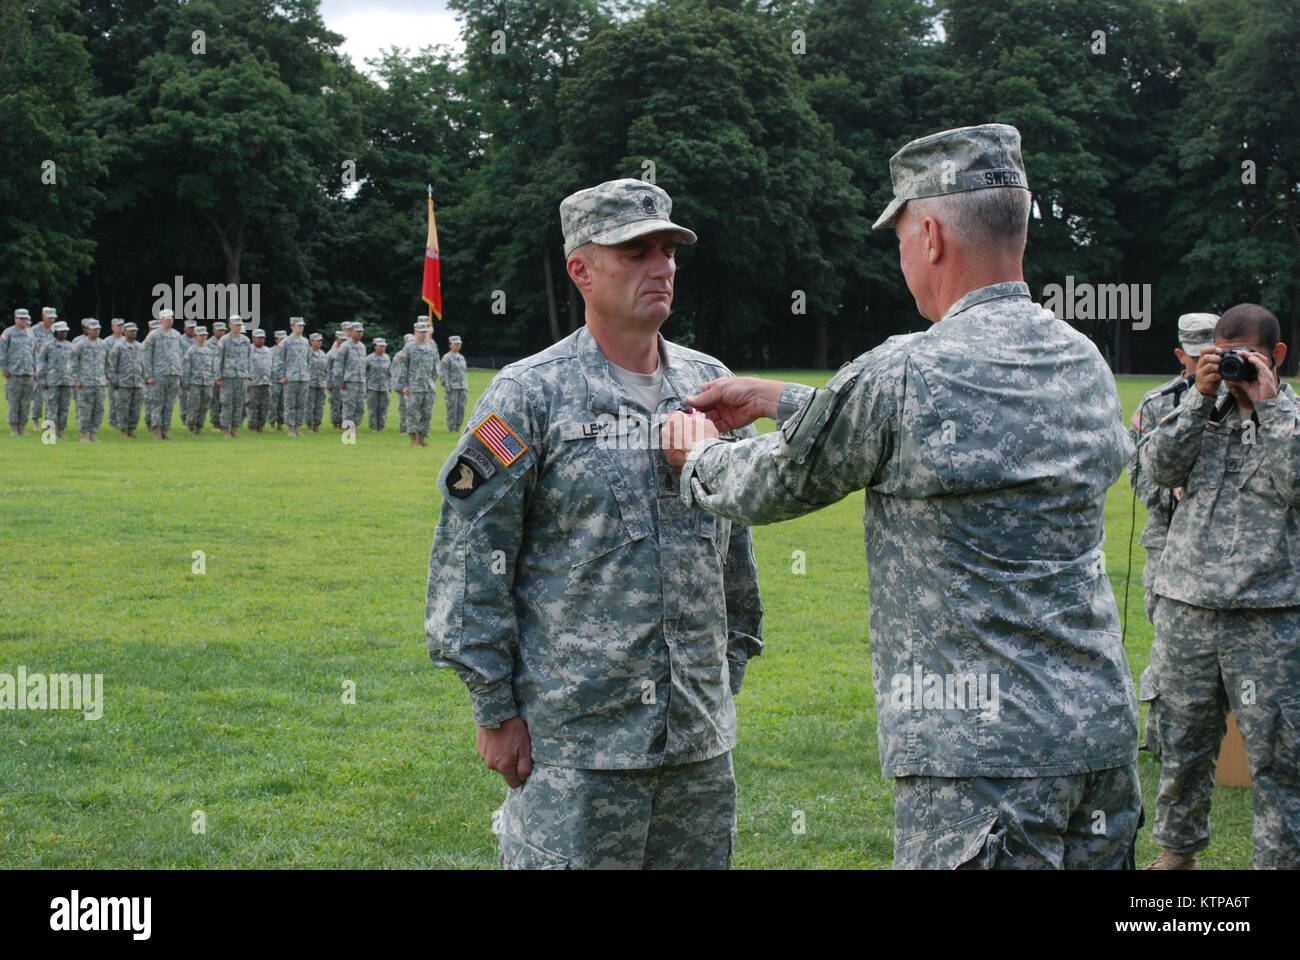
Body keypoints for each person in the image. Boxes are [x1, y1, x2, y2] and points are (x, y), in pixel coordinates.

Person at [662, 124, 1142, 869]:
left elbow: (771, 484)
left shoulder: (907, 371)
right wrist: (786, 398)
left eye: (898, 238)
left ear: (930, 235)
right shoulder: (1080, 361)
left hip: (978, 757)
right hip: (1097, 740)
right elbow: (964, 432)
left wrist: (698, 459)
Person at [427, 178, 764, 870]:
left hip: (697, 742)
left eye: (668, 250)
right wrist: (494, 707)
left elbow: (736, 546)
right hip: (576, 743)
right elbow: (471, 552)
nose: (662, 267)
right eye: (636, 252)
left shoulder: (710, 387)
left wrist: (727, 663)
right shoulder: (529, 395)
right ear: (581, 269)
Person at [1138, 304, 1300, 871]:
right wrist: (1199, 397)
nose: (1230, 364)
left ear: (1275, 355)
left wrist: (1270, 404)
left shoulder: (1293, 417)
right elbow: (1156, 470)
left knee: (1280, 753)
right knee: (1182, 744)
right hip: (1186, 605)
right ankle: (1179, 854)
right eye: (1220, 352)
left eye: (1243, 354)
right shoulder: (1192, 408)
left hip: (1266, 614)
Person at [1128, 313, 1216, 622]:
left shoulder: (1242, 401)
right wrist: (1174, 492)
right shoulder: (1157, 403)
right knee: (1165, 623)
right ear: (1181, 355)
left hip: (1220, 541)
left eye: (1213, 354)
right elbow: (1137, 472)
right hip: (1166, 538)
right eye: (1197, 356)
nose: (1206, 363)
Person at [143, 308, 184, 439]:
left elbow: (180, 354)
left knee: (170, 403)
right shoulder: (153, 335)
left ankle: (166, 429)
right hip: (159, 374)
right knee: (157, 403)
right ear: (161, 320)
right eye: (166, 318)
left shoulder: (177, 335)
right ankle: (157, 430)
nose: (169, 320)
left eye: (171, 318)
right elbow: (146, 356)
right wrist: (149, 375)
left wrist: (180, 372)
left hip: (174, 374)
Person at [71, 317, 110, 442]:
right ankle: (83, 434)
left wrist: (108, 377)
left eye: (98, 329)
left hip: (99, 382)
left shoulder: (103, 344)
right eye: (94, 329)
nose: (96, 331)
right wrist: (76, 379)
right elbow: (73, 363)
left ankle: (93, 433)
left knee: (99, 409)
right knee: (84, 408)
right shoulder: (80, 345)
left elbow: (107, 363)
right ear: (87, 330)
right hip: (85, 382)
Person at [402, 321, 438, 447]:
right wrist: (404, 385)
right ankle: (413, 439)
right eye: (420, 332)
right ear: (415, 332)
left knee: (427, 413)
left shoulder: (431, 348)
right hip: (414, 386)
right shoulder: (409, 348)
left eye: (425, 332)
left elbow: (435, 368)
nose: (423, 334)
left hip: (428, 387)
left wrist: (433, 382)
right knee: (413, 413)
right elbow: (403, 367)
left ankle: (422, 437)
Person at [36, 320, 75, 437]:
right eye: (61, 332)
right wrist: (42, 380)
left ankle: (61, 431)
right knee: (51, 406)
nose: (64, 334)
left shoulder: (70, 346)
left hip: (67, 381)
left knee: (64, 407)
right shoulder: (48, 346)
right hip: (52, 381)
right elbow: (41, 363)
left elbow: (73, 364)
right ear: (55, 332)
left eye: (65, 331)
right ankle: (50, 431)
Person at [107, 322, 146, 438]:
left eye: (134, 331)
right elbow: (111, 365)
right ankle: (123, 430)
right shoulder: (118, 346)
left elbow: (143, 364)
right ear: (125, 332)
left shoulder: (140, 346)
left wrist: (143, 378)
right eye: (130, 331)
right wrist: (114, 381)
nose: (133, 333)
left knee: (136, 408)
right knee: (123, 407)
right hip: (123, 383)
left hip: (137, 382)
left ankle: (131, 429)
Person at [1, 308, 36, 436]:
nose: (24, 321)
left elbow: (34, 352)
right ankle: (14, 428)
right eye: (21, 318)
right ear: (15, 319)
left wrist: (35, 369)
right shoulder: (8, 333)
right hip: (14, 372)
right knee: (14, 401)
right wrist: (4, 368)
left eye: (26, 318)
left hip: (28, 372)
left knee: (26, 401)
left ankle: (22, 426)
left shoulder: (31, 333)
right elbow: (3, 351)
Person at [216, 315, 252, 438]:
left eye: (239, 325)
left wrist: (249, 377)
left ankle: (235, 429)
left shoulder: (246, 341)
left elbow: (249, 359)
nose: (238, 327)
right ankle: (226, 429)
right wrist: (218, 377)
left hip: (242, 376)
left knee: (239, 404)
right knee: (227, 403)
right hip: (228, 376)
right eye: (235, 325)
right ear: (230, 325)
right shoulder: (224, 340)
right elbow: (218, 359)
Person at [182, 326, 216, 434]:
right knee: (193, 405)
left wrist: (212, 381)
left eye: (205, 335)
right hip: (195, 382)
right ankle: (191, 427)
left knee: (204, 405)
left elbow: (212, 368)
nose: (203, 337)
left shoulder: (209, 351)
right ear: (196, 336)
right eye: (201, 335)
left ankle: (199, 426)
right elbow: (186, 368)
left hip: (207, 382)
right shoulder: (191, 351)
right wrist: (186, 383)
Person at [281, 318, 311, 437]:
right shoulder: (286, 341)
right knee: (290, 403)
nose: (301, 328)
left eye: (302, 326)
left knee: (301, 403)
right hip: (291, 377)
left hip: (303, 377)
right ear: (292, 327)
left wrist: (307, 373)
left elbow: (308, 359)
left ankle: (298, 427)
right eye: (298, 326)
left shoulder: (305, 341)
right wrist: (282, 375)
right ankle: (290, 428)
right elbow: (280, 360)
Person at [29, 307, 57, 428]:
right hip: (38, 368)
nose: (52, 319)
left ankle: (48, 421)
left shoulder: (56, 330)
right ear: (43, 317)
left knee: (51, 397)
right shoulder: (34, 330)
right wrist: (34, 368)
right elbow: (29, 350)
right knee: (38, 397)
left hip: (52, 369)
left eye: (53, 317)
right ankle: (35, 421)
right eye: (49, 317)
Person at [337, 320, 367, 430]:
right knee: (349, 405)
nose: (359, 333)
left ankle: (355, 427)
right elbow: (339, 365)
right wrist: (341, 381)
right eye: (357, 331)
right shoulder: (345, 346)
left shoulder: (362, 346)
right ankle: (348, 428)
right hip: (349, 381)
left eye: (361, 331)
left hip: (360, 380)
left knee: (360, 406)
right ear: (351, 332)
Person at [247, 328, 273, 432]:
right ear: (253, 338)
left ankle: (260, 426)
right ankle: (253, 426)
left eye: (263, 338)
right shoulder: (248, 349)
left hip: (266, 382)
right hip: (254, 382)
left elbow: (271, 365)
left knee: (265, 406)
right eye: (259, 338)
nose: (261, 340)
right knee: (253, 405)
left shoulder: (268, 350)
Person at [441, 335, 469, 432]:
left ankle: (458, 427)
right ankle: (451, 428)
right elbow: (444, 374)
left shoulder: (461, 358)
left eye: (459, 344)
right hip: (452, 388)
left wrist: (466, 386)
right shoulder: (446, 358)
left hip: (462, 387)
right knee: (452, 409)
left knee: (461, 408)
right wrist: (447, 387)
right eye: (455, 344)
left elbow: (464, 373)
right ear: (450, 345)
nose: (457, 346)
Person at [365, 337, 391, 431]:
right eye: (380, 346)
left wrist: (390, 386)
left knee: (383, 408)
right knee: (373, 408)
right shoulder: (368, 358)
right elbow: (364, 372)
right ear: (375, 347)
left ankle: (382, 426)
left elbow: (389, 373)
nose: (382, 348)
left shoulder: (387, 358)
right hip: (372, 387)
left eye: (383, 346)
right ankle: (373, 427)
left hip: (384, 387)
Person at [391, 331, 413, 436]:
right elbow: (395, 371)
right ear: (405, 343)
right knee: (404, 408)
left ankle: (414, 429)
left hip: (413, 386)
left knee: (413, 409)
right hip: (402, 387)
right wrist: (399, 386)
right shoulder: (400, 355)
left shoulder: (415, 354)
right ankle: (404, 428)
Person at [207, 321, 227, 430]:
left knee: (225, 401)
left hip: (225, 376)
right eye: (219, 330)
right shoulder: (209, 344)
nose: (222, 332)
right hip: (212, 377)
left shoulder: (227, 342)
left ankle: (224, 422)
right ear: (214, 330)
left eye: (223, 330)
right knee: (214, 401)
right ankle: (215, 423)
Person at [306, 332, 327, 432]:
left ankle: (317, 425)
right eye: (317, 340)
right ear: (311, 341)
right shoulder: (307, 353)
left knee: (319, 405)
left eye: (320, 341)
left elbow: (326, 369)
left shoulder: (323, 354)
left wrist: (326, 381)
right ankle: (310, 425)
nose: (319, 342)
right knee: (309, 405)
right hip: (310, 383)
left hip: (321, 383)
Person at [326, 329, 346, 429]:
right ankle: (335, 423)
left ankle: (343, 422)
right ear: (336, 339)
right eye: (341, 339)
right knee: (335, 403)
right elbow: (328, 369)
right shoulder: (331, 353)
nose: (343, 341)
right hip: (334, 382)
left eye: (344, 339)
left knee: (345, 403)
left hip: (345, 381)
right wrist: (328, 383)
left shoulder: (347, 351)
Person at [270, 329, 288, 430]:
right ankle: (272, 424)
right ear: (276, 340)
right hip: (274, 380)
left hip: (286, 381)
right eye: (280, 339)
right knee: (273, 403)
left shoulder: (288, 351)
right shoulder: (271, 351)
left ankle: (280, 424)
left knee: (283, 403)